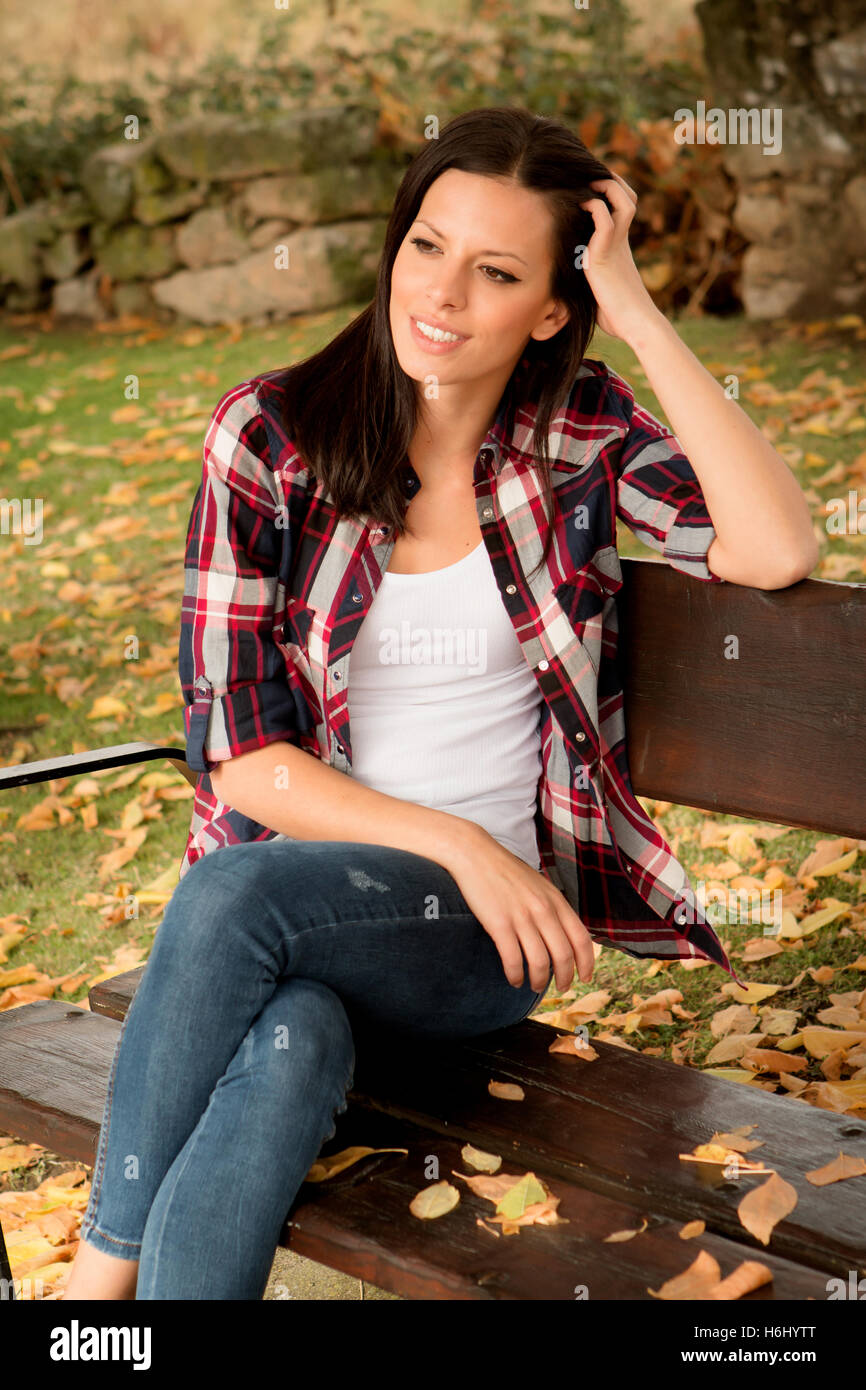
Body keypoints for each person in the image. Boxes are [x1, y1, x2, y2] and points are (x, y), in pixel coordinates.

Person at [64, 106, 817, 1300]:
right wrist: (457, 843)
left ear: (551, 308)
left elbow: (774, 545)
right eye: (427, 244)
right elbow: (241, 761)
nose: (444, 293)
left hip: (475, 946)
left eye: (498, 271)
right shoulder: (268, 438)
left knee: (228, 892)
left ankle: (84, 1301)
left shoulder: (572, 436)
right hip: (315, 908)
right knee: (291, 1037)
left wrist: (635, 309)